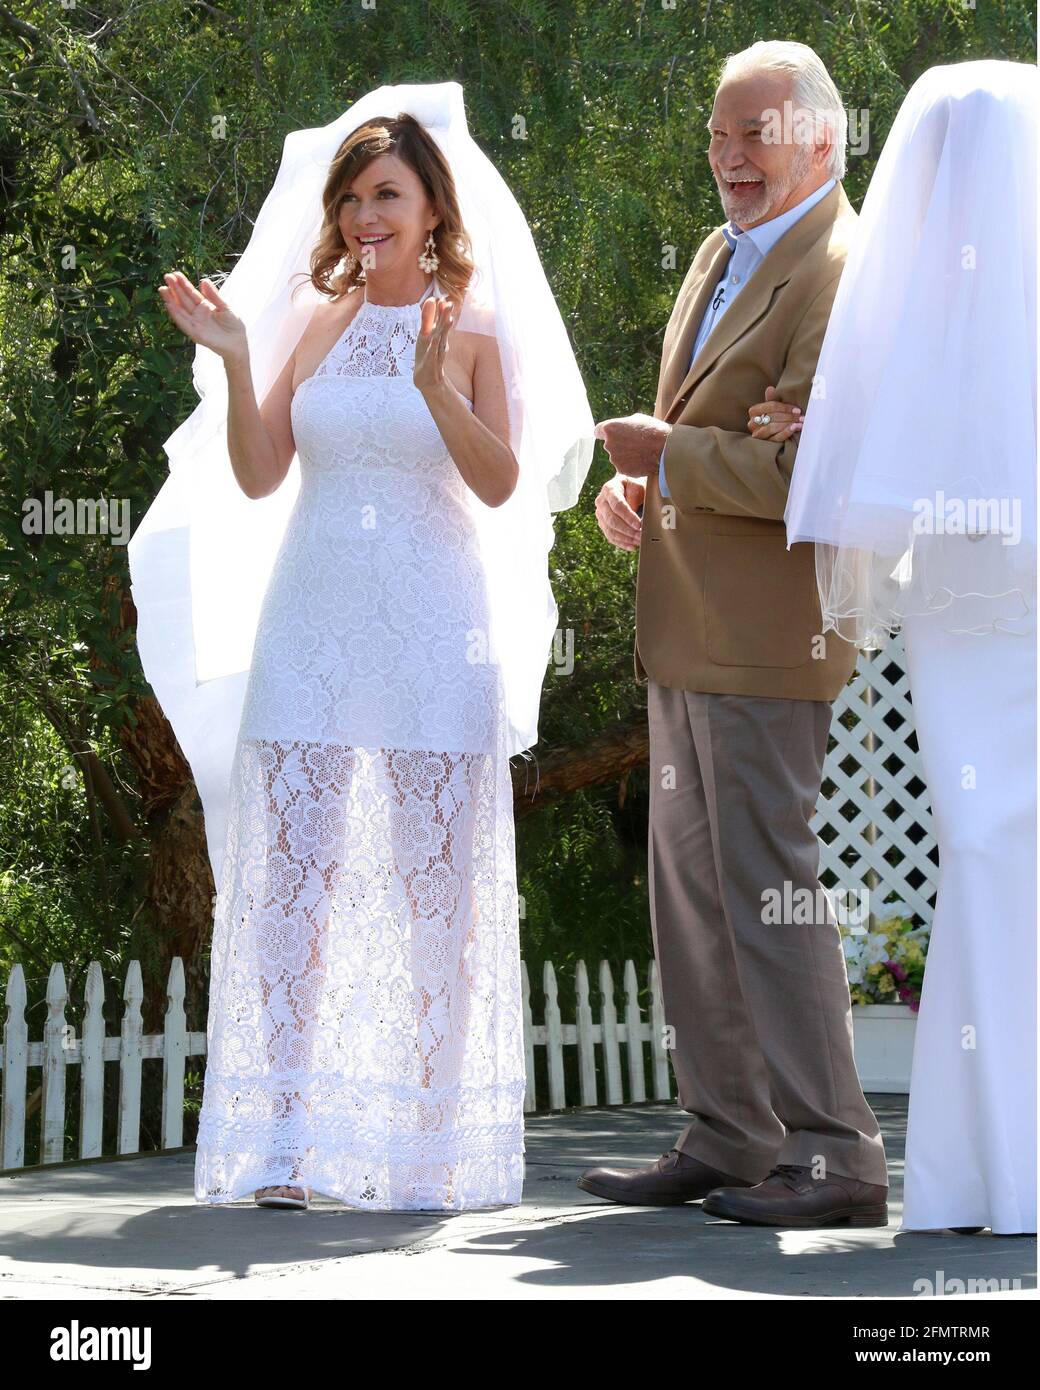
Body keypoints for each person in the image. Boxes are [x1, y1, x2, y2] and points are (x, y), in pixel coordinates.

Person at [127, 82, 594, 1211]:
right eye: (350, 199)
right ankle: (286, 1142)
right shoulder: (320, 318)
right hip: (312, 614)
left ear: (434, 206)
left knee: (437, 891)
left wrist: (435, 388)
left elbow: (499, 484)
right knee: (295, 876)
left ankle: (428, 1146)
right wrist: (241, 358)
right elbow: (257, 470)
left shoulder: (476, 326)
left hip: (436, 616)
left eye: (386, 194)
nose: (362, 216)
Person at [583, 40, 890, 1228]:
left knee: (770, 895)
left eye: (750, 134)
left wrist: (672, 462)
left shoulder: (846, 269)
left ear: (819, 136)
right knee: (691, 903)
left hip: (767, 639)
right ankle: (727, 1133)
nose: (725, 158)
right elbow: (729, 442)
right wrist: (643, 494)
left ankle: (839, 1156)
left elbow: (815, 469)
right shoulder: (715, 253)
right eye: (716, 135)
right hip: (681, 631)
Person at [778, 60, 1038, 1236]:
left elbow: (854, 467)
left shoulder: (917, 295)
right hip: (983, 586)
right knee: (989, 854)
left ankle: (980, 1170)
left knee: (982, 849)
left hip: (952, 591)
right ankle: (999, 1168)